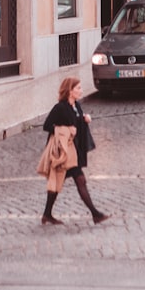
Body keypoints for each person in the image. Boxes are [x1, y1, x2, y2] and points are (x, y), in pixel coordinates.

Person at [38, 77, 110, 225]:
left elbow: (76, 125)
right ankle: (95, 214)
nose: (81, 90)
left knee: (67, 182)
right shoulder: (60, 107)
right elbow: (47, 126)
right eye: (78, 88)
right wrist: (65, 129)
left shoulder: (76, 106)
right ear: (70, 91)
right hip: (63, 152)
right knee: (72, 181)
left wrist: (84, 119)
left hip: (73, 152)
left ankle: (47, 214)